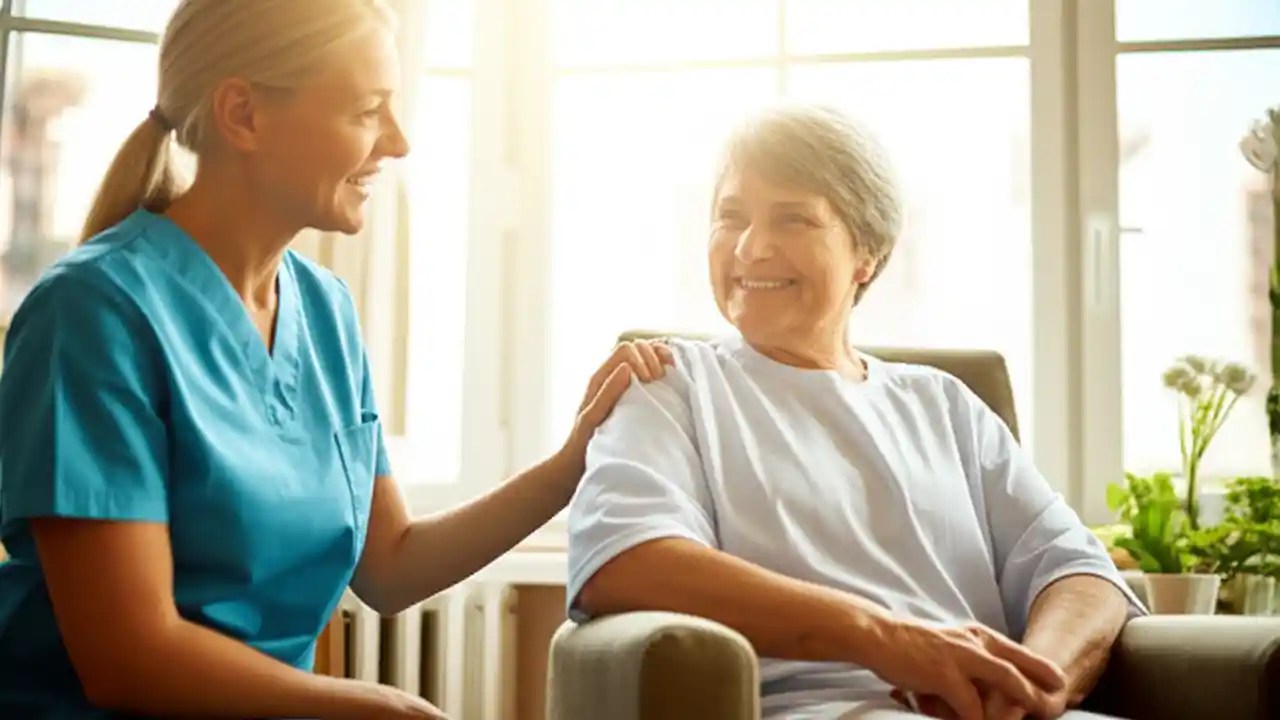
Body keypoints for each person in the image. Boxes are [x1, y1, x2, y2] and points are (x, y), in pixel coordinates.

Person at [0, 1, 671, 718]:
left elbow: (391, 563)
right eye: (367, 111)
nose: (401, 141)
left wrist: (572, 463)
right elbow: (131, 660)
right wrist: (378, 709)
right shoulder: (93, 312)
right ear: (243, 115)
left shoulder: (325, 311)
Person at [566, 104, 1144, 720]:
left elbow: (1081, 573)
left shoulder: (943, 404)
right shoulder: (668, 384)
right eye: (730, 216)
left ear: (867, 253)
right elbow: (625, 561)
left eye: (792, 219)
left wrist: (1029, 686)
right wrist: (889, 638)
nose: (751, 247)